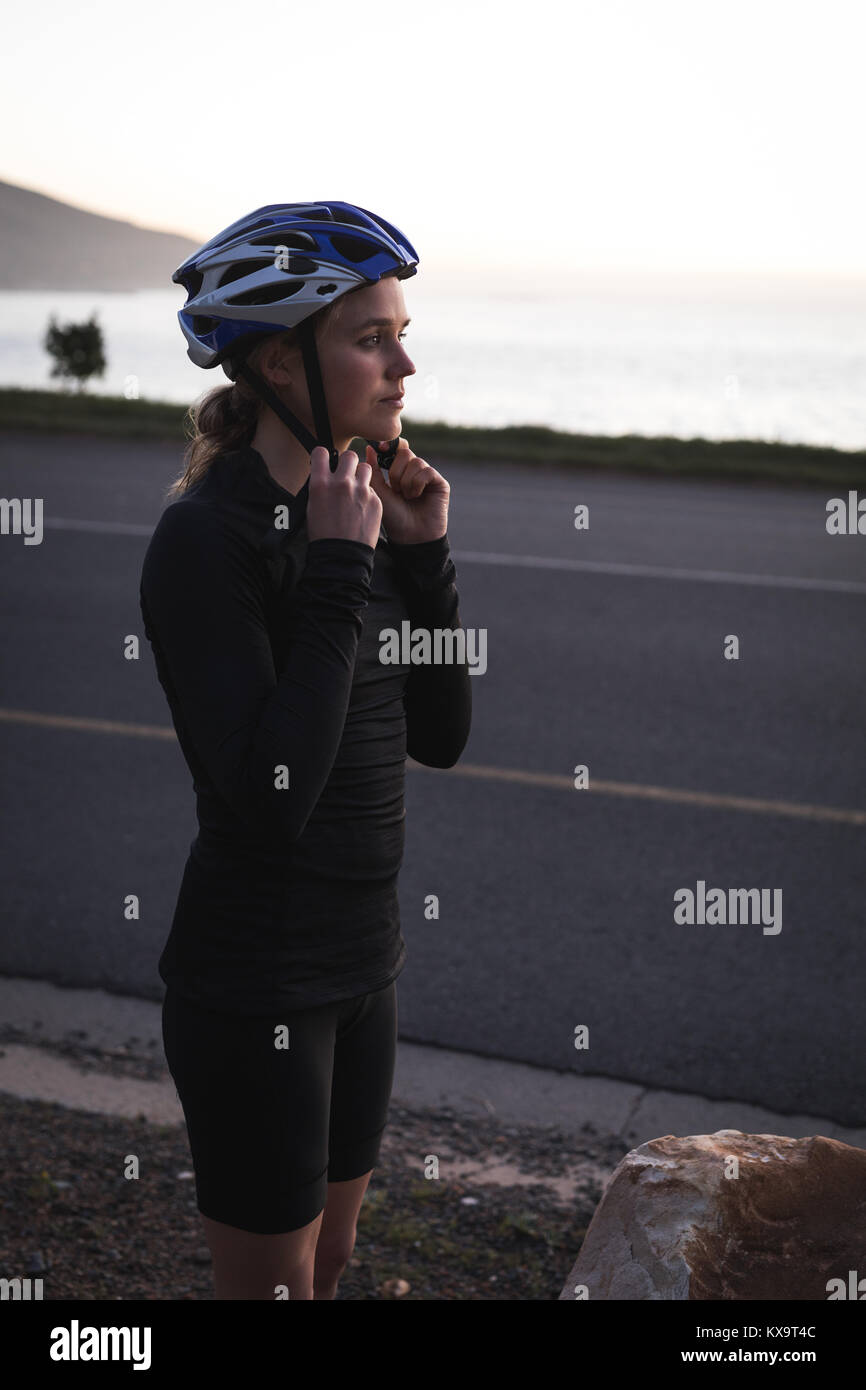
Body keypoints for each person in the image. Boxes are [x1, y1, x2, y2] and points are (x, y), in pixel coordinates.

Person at [139, 202, 472, 1299]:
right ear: (282, 361)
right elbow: (271, 794)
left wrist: (420, 561)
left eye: (400, 331)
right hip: (255, 982)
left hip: (362, 964)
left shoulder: (358, 509)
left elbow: (440, 737)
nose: (403, 364)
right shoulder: (207, 538)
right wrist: (339, 566)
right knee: (272, 1288)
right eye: (370, 338)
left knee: (330, 1262)